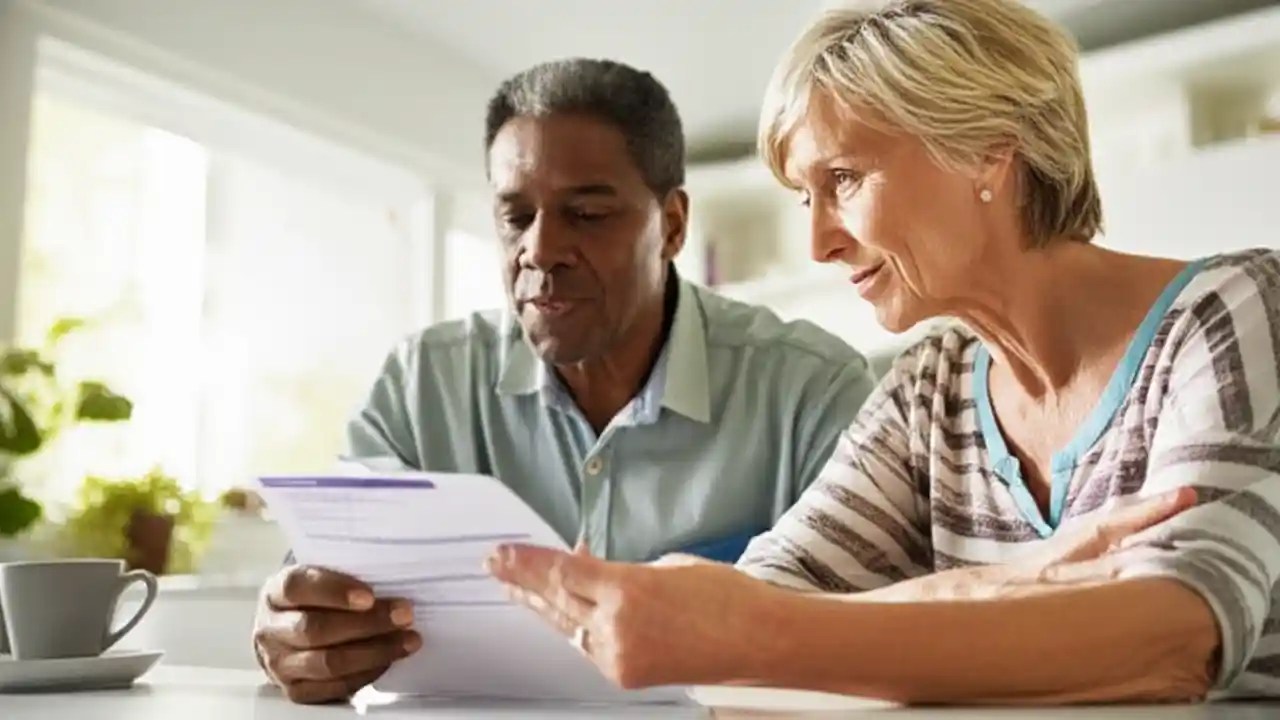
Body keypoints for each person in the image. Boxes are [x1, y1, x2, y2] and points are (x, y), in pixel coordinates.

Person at [487, 0, 1280, 704]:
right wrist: (1003, 583)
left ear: (986, 155)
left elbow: (1177, 639)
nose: (820, 241)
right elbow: (770, 592)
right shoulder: (926, 390)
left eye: (844, 178)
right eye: (807, 196)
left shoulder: (1231, 312)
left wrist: (752, 631)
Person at [252, 59, 877, 704]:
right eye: (515, 216)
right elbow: (327, 572)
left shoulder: (812, 392)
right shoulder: (421, 384)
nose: (540, 250)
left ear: (672, 226)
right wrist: (302, 627)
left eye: (585, 214)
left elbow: (880, 637)